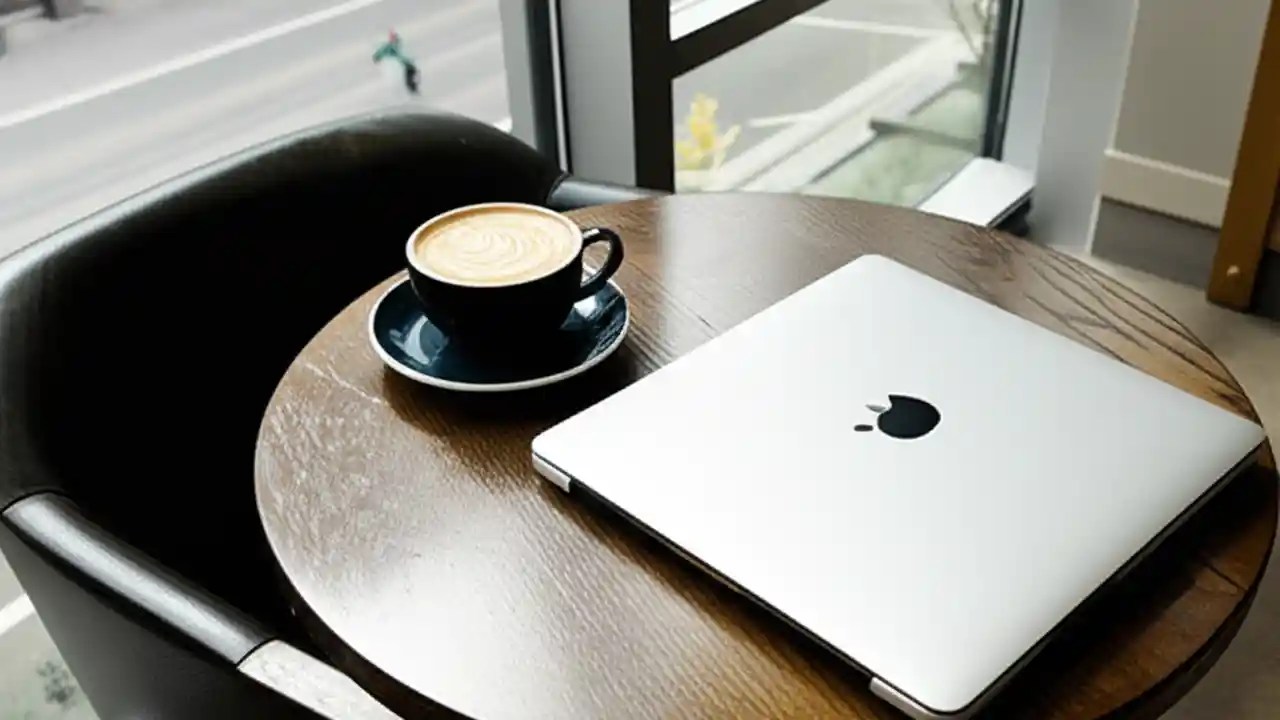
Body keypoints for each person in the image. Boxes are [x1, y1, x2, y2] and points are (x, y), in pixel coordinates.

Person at [373, 30, 420, 94]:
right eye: (392, 37)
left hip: (410, 65)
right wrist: (377, 56)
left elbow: (383, 51)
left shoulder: (395, 45)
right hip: (408, 66)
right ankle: (414, 91)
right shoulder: (390, 46)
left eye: (394, 37)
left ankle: (414, 91)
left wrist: (377, 56)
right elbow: (382, 51)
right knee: (409, 82)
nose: (393, 39)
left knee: (410, 81)